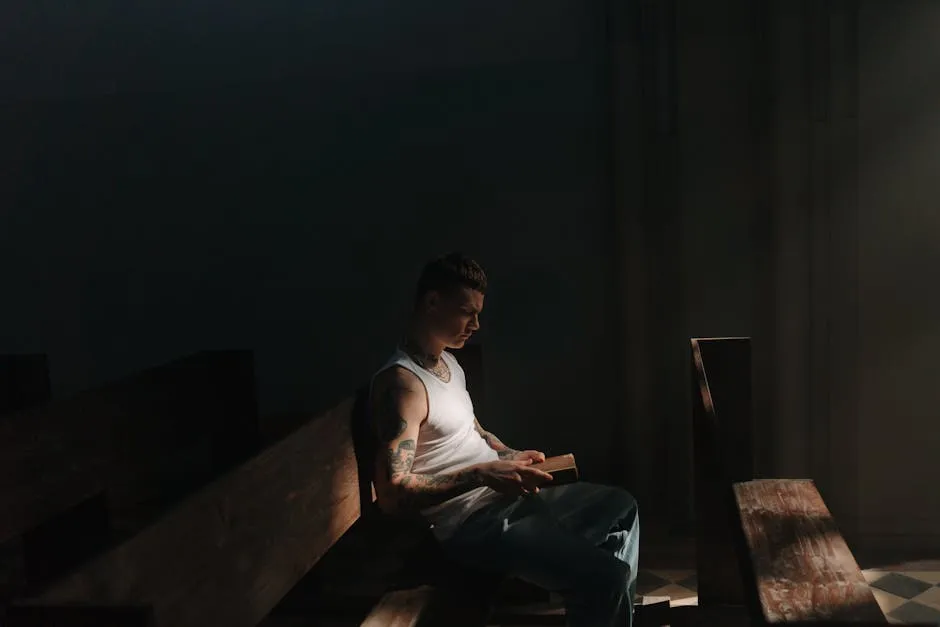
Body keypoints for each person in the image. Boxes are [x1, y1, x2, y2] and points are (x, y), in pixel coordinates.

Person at [369, 252, 640, 627]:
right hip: (472, 525)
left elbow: (475, 432)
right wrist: (482, 474)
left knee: (620, 507)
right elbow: (393, 494)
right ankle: (597, 592)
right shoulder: (401, 385)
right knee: (607, 578)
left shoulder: (448, 363)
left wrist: (510, 455)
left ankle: (597, 602)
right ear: (432, 302)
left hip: (503, 499)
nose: (476, 324)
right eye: (467, 312)